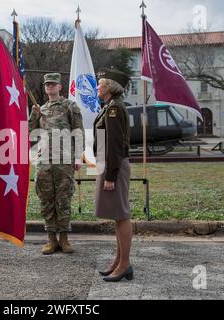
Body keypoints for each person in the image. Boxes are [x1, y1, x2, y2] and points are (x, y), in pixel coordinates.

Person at [29, 73, 84, 255]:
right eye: (47, 85)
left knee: (63, 198)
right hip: (44, 161)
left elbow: (78, 131)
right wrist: (33, 114)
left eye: (53, 84)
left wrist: (78, 157)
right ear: (45, 88)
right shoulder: (41, 109)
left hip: (64, 160)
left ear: (60, 86)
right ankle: (51, 239)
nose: (50, 87)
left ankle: (65, 238)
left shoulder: (70, 106)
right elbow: (30, 133)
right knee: (46, 198)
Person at [93, 68, 133, 282]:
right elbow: (103, 142)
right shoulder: (109, 107)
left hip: (113, 166)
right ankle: (119, 261)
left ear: (109, 87)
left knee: (121, 214)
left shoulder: (114, 109)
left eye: (100, 83)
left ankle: (125, 264)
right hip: (108, 165)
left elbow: (115, 146)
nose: (97, 87)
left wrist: (110, 175)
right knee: (118, 215)